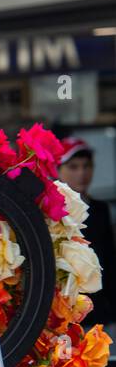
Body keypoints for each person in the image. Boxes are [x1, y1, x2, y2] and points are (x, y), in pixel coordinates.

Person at [57, 137, 116, 328]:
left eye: (86, 166)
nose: (81, 173)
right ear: (58, 170)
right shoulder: (52, 212)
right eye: (73, 167)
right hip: (63, 311)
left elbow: (109, 260)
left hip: (98, 310)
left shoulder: (101, 210)